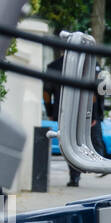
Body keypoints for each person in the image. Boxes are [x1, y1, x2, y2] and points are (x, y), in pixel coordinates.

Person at [43, 48, 80, 187]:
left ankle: (74, 175)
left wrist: (50, 110)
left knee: (66, 141)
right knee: (77, 140)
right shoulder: (82, 65)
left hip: (62, 109)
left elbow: (46, 93)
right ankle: (77, 172)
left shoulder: (53, 66)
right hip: (79, 109)